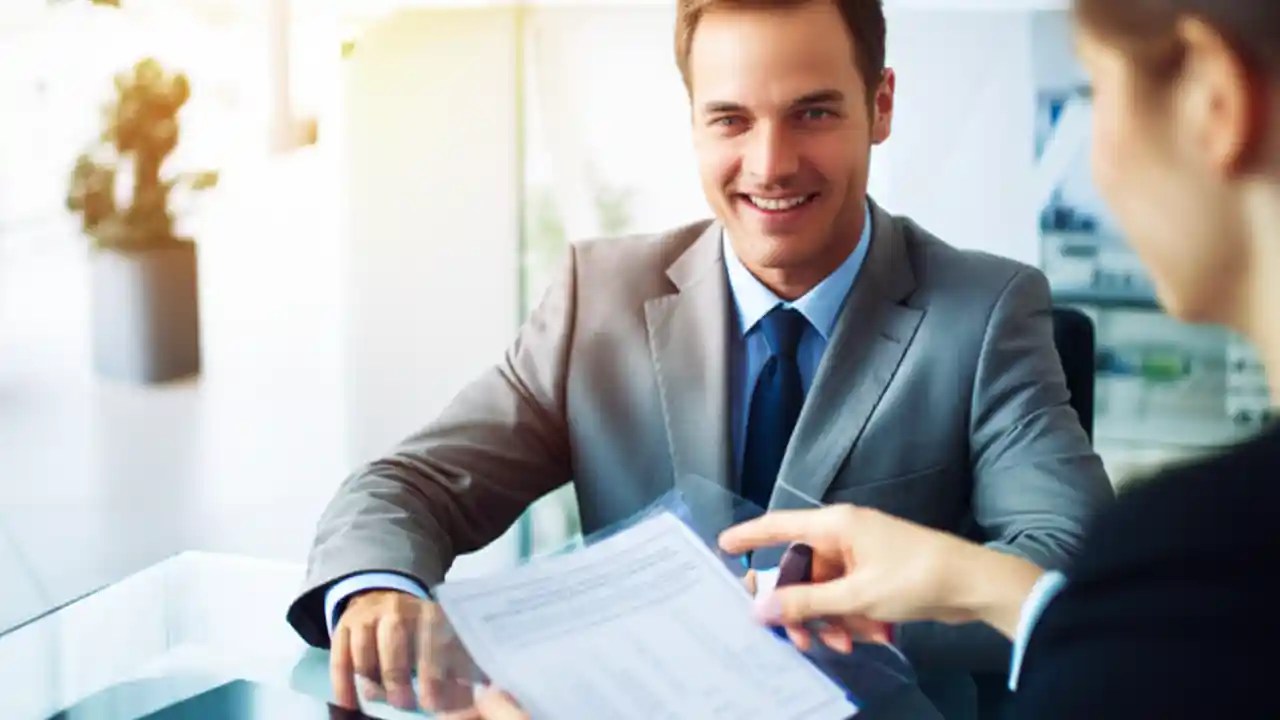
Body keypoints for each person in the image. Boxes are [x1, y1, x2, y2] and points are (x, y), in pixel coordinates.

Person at [289, 0, 1112, 714]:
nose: (771, 165)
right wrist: (378, 589)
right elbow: (409, 485)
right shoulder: (596, 300)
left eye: (813, 113)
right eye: (731, 119)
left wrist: (877, 605)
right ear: (692, 121)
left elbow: (1075, 562)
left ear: (881, 104)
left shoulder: (985, 312)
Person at [717, 1, 1280, 718]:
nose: (770, 165)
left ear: (1215, 102)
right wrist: (974, 583)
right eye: (729, 118)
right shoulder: (1191, 582)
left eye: (1095, 93)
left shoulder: (1187, 567)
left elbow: (1102, 603)